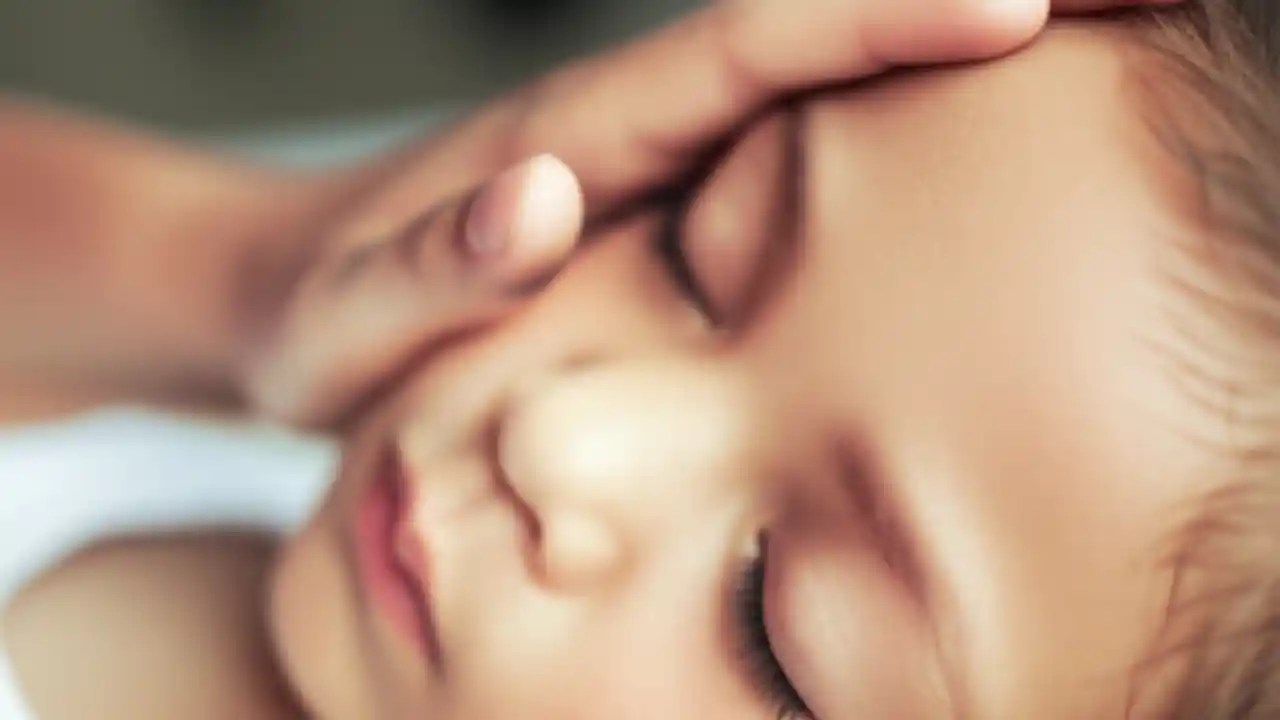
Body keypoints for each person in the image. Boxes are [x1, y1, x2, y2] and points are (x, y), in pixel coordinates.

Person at [15, 0, 1280, 718]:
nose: (563, 435)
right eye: (691, 247)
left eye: (771, 622)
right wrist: (223, 275)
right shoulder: (162, 445)